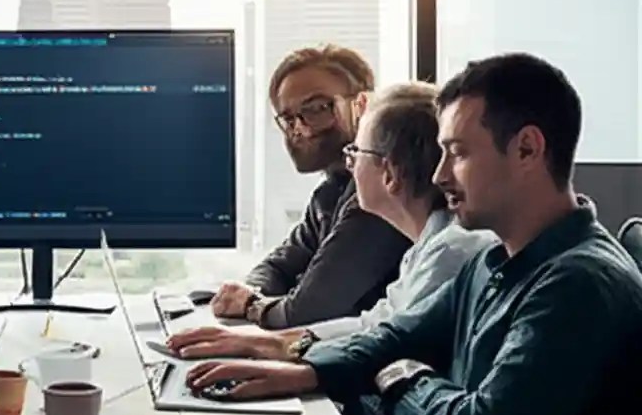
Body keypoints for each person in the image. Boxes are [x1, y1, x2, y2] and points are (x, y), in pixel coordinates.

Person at [185, 53, 642, 415]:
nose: (440, 175)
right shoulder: (498, 261)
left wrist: (402, 377)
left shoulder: (576, 284)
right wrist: (300, 372)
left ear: (527, 149)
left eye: (458, 154)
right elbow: (394, 337)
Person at [169, 82, 495, 361]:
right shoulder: (427, 245)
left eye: (356, 154)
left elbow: (382, 346)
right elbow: (373, 324)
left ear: (390, 173)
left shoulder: (451, 253)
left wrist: (269, 345)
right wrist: (263, 343)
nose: (349, 166)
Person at [207, 45, 410, 329]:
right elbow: (279, 266)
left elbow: (308, 311)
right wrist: (247, 292)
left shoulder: (382, 192)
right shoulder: (330, 194)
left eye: (316, 109)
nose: (300, 128)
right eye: (288, 119)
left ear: (361, 105)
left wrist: (251, 305)